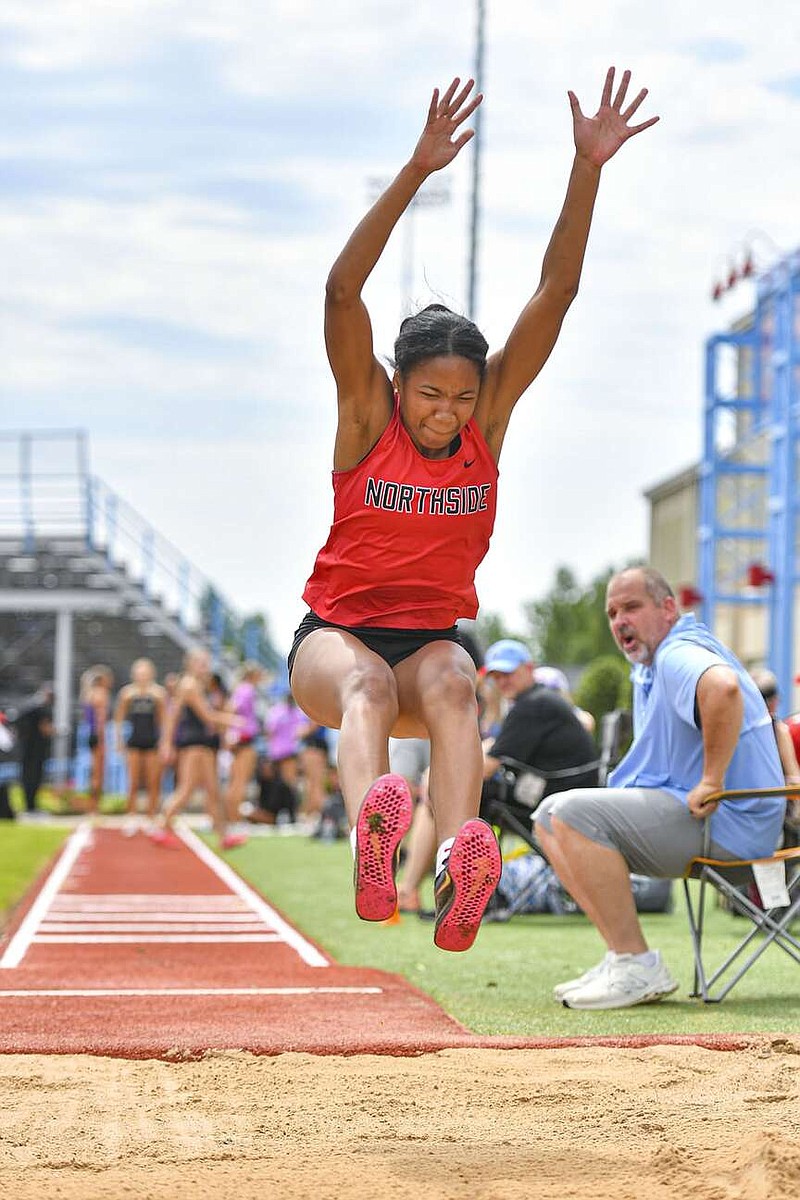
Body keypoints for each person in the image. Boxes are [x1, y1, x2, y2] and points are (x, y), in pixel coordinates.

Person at [289, 69, 658, 952]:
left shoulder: (487, 426)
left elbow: (554, 295)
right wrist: (416, 170)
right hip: (333, 640)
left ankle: (459, 864)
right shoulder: (367, 416)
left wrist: (588, 170)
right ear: (399, 385)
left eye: (460, 396)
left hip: (425, 645)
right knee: (368, 685)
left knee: (456, 677)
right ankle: (369, 841)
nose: (445, 412)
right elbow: (343, 294)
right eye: (429, 395)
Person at [534, 566, 786, 1010]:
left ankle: (637, 964)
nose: (619, 621)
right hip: (716, 821)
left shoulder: (676, 652)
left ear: (668, 608)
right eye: (612, 613)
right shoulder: (655, 662)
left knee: (570, 813)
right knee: (546, 818)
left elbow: (723, 688)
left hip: (734, 827)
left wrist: (711, 779)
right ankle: (622, 956)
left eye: (631, 607)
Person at [155, 649, 246, 849]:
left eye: (206, 663)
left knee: (212, 791)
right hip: (195, 743)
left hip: (198, 742)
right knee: (187, 789)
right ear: (190, 664)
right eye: (201, 663)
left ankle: (223, 835)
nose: (205, 668)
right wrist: (233, 720)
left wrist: (167, 742)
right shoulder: (190, 685)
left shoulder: (193, 685)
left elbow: (174, 716)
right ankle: (162, 827)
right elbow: (207, 716)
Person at [115, 658, 166, 832]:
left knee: (153, 780)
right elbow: (119, 719)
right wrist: (119, 740)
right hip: (135, 741)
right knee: (133, 780)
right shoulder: (127, 693)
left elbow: (164, 720)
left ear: (151, 674)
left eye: (145, 673)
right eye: (139, 673)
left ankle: (151, 816)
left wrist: (165, 742)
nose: (142, 676)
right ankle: (131, 816)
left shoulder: (158, 693)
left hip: (152, 741)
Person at [223, 662, 263, 826]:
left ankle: (231, 814)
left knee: (235, 780)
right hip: (245, 738)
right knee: (240, 780)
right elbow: (231, 709)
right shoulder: (247, 689)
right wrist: (232, 729)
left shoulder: (240, 689)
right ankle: (234, 817)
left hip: (240, 738)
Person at [13, 684, 54, 815]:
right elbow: (46, 729)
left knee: (27, 777)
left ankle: (29, 806)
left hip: (26, 749)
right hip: (36, 750)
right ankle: (31, 806)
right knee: (34, 778)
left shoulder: (27, 707)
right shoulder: (41, 709)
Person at [80, 667, 113, 814]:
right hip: (98, 735)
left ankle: (93, 805)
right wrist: (101, 739)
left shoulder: (88, 694)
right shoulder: (101, 694)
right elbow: (100, 718)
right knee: (98, 773)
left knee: (95, 772)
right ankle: (94, 806)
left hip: (90, 734)